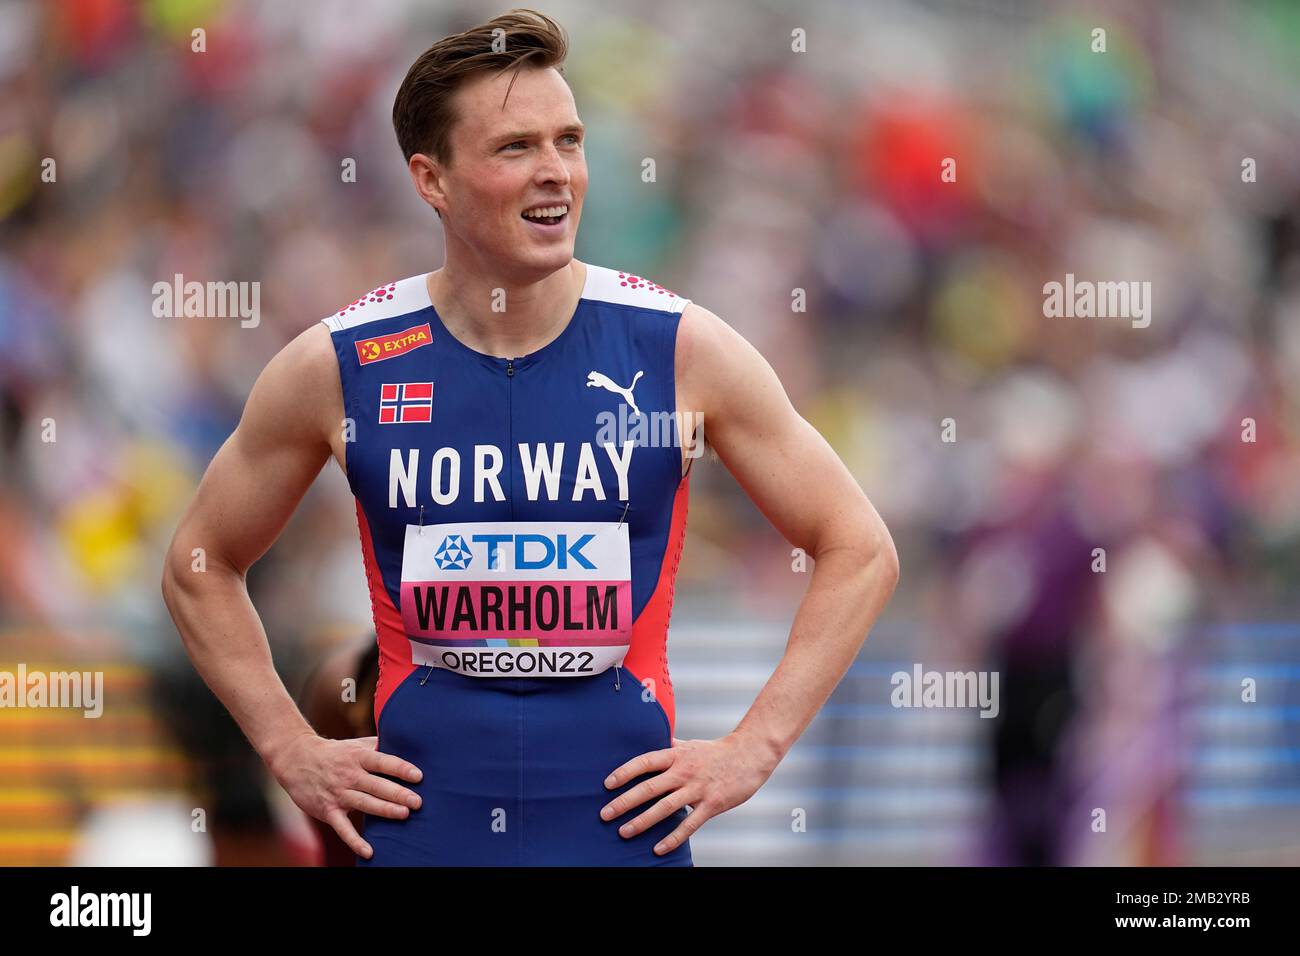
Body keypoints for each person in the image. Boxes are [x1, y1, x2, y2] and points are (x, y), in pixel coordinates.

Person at [161, 8, 899, 866]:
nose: (558, 174)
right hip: (423, 838)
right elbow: (198, 565)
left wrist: (753, 749)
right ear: (431, 180)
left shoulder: (682, 348)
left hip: (619, 836)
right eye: (516, 148)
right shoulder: (342, 363)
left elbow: (859, 548)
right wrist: (290, 748)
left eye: (570, 141)